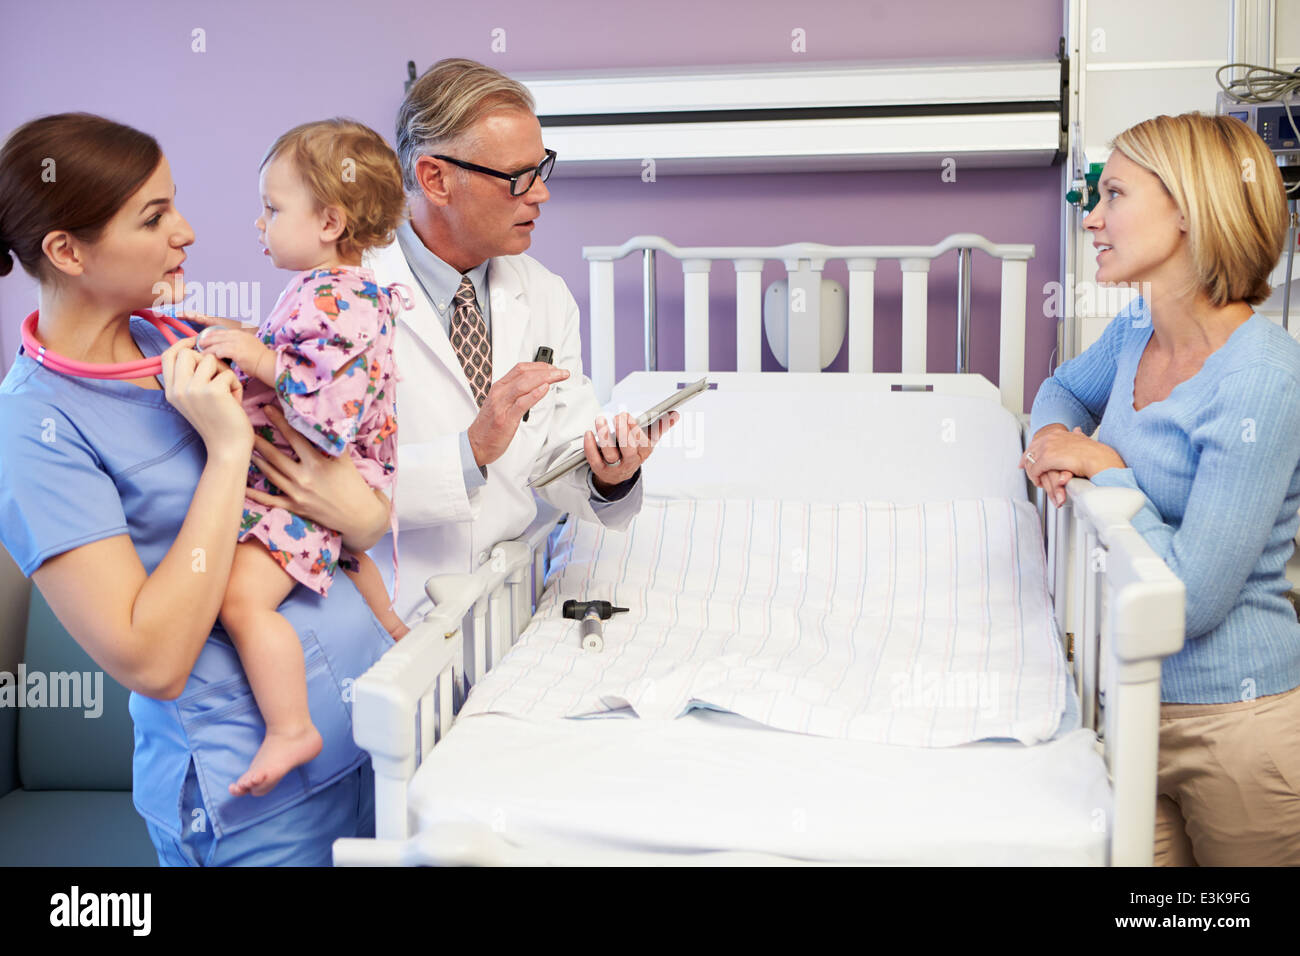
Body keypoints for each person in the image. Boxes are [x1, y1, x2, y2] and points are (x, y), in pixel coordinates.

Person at [0, 113, 395, 865]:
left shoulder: (178, 341)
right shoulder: (33, 428)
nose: (186, 231)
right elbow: (152, 660)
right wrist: (225, 449)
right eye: (155, 216)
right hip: (260, 804)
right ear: (66, 250)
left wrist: (364, 516)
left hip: (374, 740)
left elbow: (347, 494)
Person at [1021, 112, 1300, 865]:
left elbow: (1194, 596)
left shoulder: (1261, 377)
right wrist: (1053, 441)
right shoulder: (1134, 332)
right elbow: (1058, 391)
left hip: (1240, 729)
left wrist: (1105, 469)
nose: (1093, 218)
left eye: (1113, 195)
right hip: (1133, 707)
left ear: (1187, 208)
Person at [364, 58, 677, 624]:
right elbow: (323, 488)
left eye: (542, 169)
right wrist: (470, 452)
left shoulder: (546, 294)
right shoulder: (345, 300)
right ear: (435, 179)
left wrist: (609, 473)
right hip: (388, 611)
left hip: (504, 605)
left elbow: (556, 457)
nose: (541, 195)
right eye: (517, 177)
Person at [183, 119, 408, 799]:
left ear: (330, 220)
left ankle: (290, 728)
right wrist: (255, 343)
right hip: (349, 491)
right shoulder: (338, 292)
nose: (260, 223)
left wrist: (259, 358)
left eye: (273, 209)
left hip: (326, 479)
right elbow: (318, 363)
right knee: (355, 560)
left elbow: (328, 414)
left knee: (240, 601)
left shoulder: (331, 295)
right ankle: (397, 633)